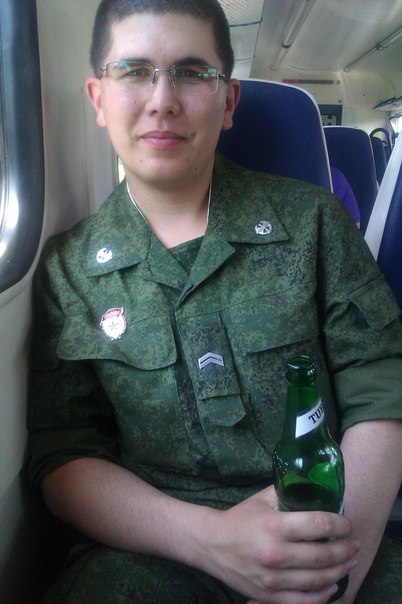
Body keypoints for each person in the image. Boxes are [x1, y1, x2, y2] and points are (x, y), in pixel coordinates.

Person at [27, 1, 402, 603]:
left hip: (333, 521)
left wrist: (327, 575)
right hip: (159, 548)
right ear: (98, 98)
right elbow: (66, 456)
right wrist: (210, 541)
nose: (162, 100)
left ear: (228, 102)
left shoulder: (314, 223)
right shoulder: (69, 270)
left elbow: (382, 396)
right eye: (134, 71)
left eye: (192, 72)